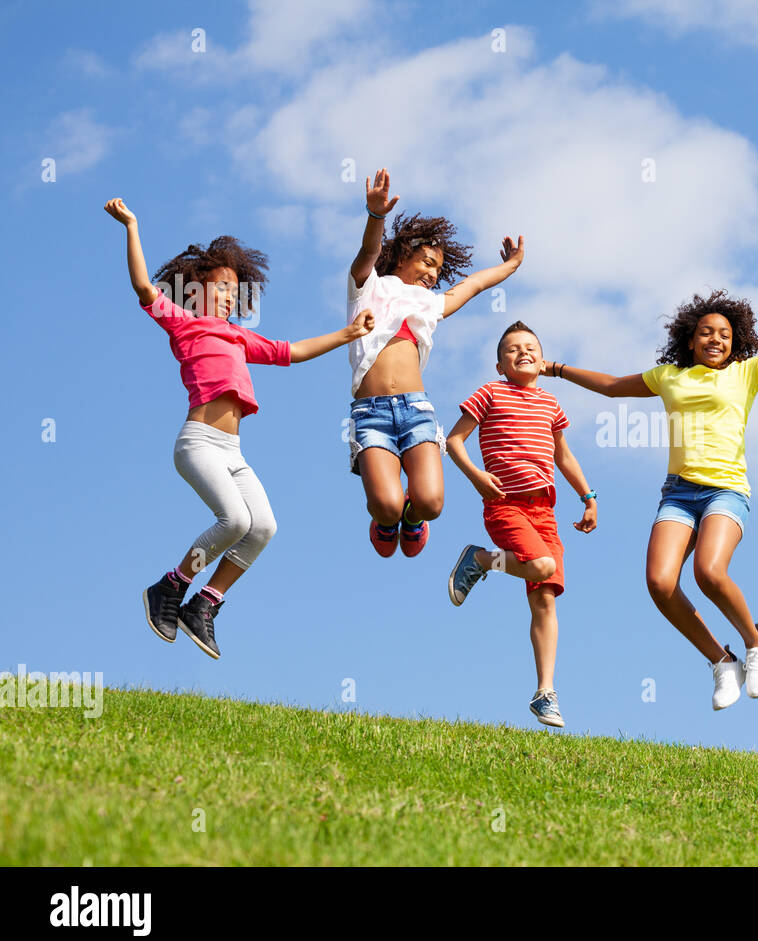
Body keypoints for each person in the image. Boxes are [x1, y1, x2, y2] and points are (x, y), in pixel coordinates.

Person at [543, 242, 758, 709]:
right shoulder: (669, 377)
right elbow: (610, 387)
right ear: (690, 339)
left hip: (726, 490)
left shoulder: (747, 375)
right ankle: (720, 660)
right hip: (678, 493)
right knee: (660, 584)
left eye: (724, 335)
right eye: (706, 333)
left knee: (709, 571)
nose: (715, 340)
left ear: (736, 342)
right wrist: (555, 369)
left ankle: (756, 644)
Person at [105, 198, 374, 659]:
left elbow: (293, 351)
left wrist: (347, 334)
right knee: (234, 521)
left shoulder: (239, 336)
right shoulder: (185, 323)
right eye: (222, 287)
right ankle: (170, 587)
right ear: (196, 292)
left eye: (235, 290)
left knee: (263, 527)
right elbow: (142, 287)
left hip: (232, 451)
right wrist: (132, 225)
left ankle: (203, 606)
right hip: (198, 444)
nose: (231, 296)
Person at [346, 168, 524, 558]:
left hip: (416, 410)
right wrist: (376, 215)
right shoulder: (368, 288)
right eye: (426, 262)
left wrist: (509, 268)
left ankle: (413, 518)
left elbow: (472, 285)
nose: (432, 273)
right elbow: (368, 254)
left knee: (431, 504)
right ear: (402, 256)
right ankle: (389, 518)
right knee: (386, 504)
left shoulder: (429, 304)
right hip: (370, 414)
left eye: (438, 270)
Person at [445, 321, 598, 728]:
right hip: (505, 505)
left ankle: (545, 693)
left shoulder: (551, 405)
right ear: (500, 364)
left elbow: (564, 457)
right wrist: (476, 476)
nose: (523, 352)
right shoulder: (490, 393)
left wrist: (588, 497)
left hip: (544, 512)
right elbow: (453, 441)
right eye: (512, 349)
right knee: (543, 566)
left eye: (530, 347)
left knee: (546, 598)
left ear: (542, 358)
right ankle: (479, 558)